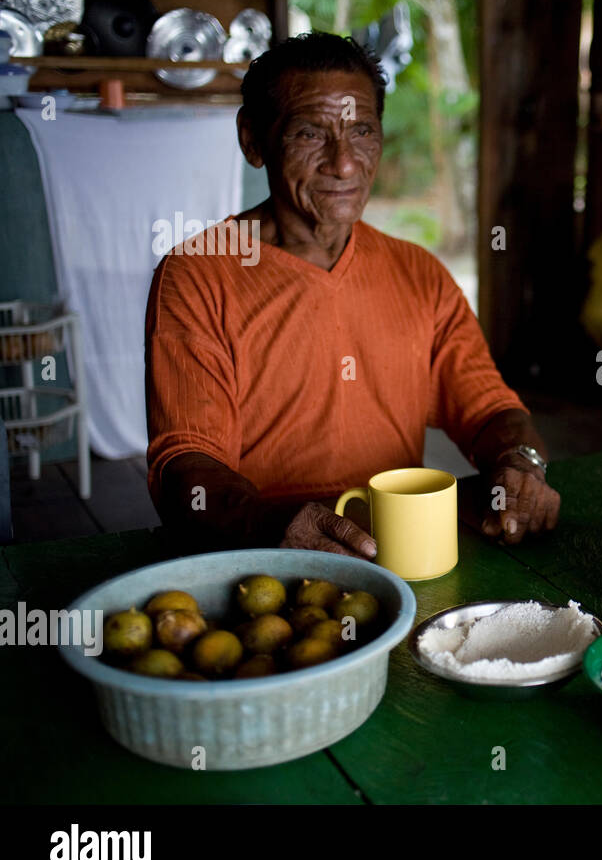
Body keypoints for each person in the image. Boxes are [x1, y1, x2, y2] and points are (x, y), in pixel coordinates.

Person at [146, 32, 559, 556]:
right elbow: (187, 465)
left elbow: (489, 411)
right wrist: (268, 526)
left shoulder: (418, 272)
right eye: (309, 134)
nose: (343, 164)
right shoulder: (199, 274)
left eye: (361, 131)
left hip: (403, 554)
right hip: (263, 562)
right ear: (253, 140)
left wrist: (519, 462)